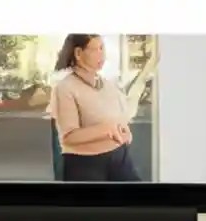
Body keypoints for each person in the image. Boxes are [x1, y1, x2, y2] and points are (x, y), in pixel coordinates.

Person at [49, 34, 158, 182]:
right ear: (78, 53)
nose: (102, 54)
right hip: (86, 165)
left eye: (103, 48)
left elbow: (121, 116)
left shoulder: (106, 84)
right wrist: (106, 129)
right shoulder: (65, 88)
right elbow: (68, 138)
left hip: (119, 157)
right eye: (97, 49)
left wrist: (124, 130)